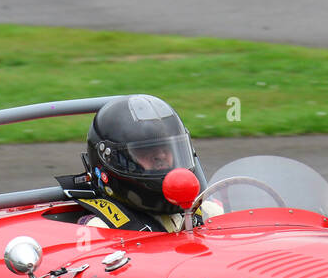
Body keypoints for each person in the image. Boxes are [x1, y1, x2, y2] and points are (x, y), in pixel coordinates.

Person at [62, 95, 219, 232]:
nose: (161, 158)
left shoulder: (209, 212)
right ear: (112, 161)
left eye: (167, 149)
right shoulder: (101, 229)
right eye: (146, 152)